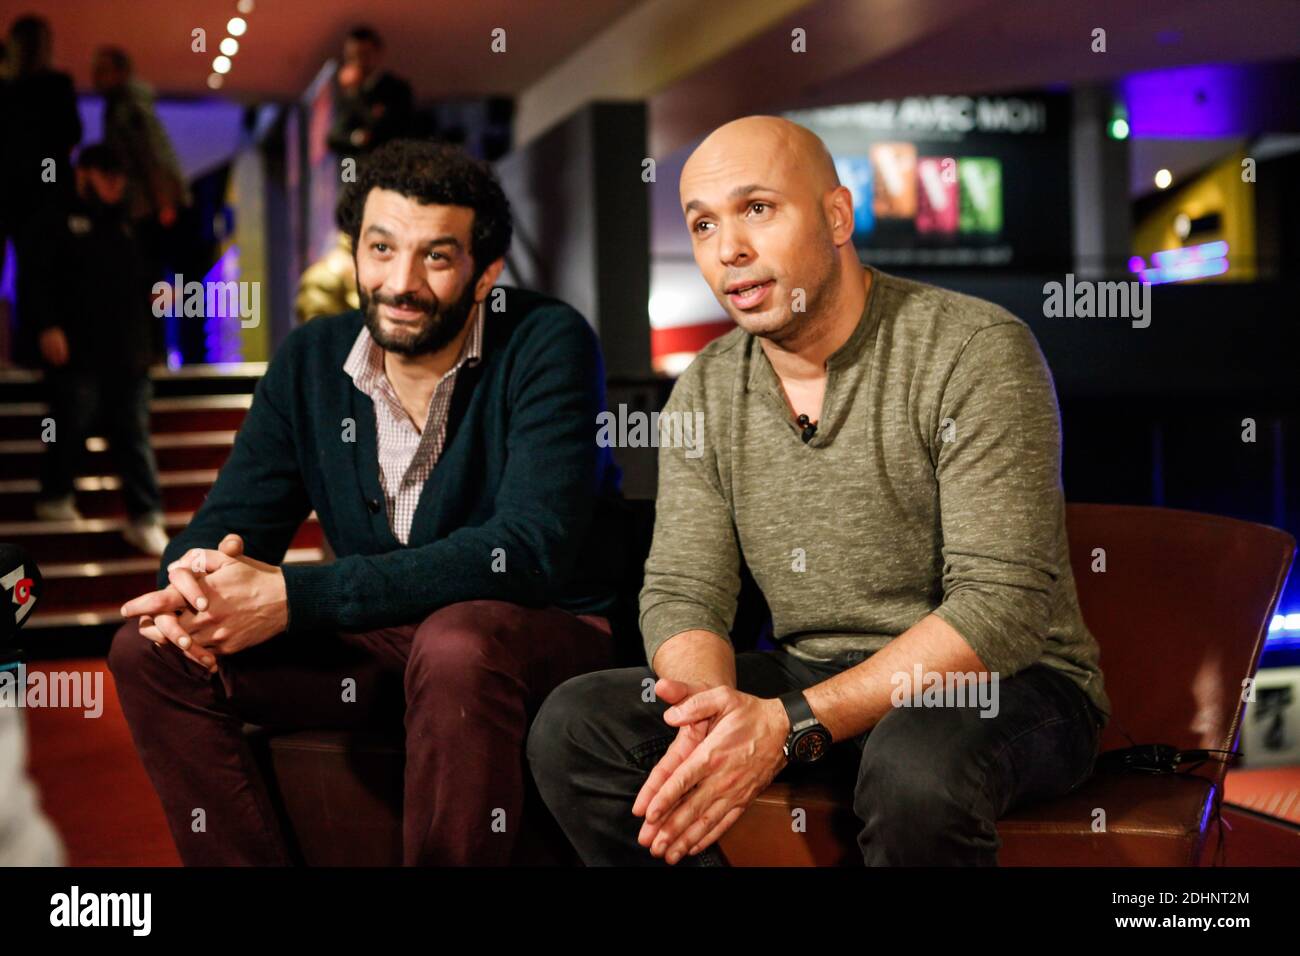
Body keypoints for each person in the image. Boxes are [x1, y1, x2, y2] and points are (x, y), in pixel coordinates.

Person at [527, 116, 1111, 866]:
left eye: (757, 209)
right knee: (576, 725)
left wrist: (793, 722)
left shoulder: (973, 350)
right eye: (703, 224)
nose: (728, 247)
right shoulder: (706, 387)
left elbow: (1002, 609)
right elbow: (682, 589)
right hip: (814, 674)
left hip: (1005, 686)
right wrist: (716, 718)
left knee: (914, 769)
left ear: (838, 216)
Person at [109, 139, 624, 866]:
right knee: (148, 651)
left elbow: (528, 552)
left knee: (455, 645)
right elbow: (229, 521)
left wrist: (294, 595)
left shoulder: (547, 341)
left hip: (540, 635)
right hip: (389, 640)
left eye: (436, 258)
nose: (400, 282)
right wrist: (190, 589)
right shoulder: (312, 359)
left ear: (485, 276)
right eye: (381, 249)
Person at [26, 143, 168, 556]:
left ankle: (146, 517)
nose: (115, 183)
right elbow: (36, 277)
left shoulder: (128, 223)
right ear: (84, 172)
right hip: (77, 350)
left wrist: (154, 344)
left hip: (128, 352)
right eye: (107, 174)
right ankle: (54, 497)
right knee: (70, 420)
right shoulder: (55, 216)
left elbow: (149, 289)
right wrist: (46, 325)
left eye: (119, 176)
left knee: (134, 433)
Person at [1, 14, 82, 368]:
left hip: (10, 189)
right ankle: (40, 349)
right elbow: (71, 135)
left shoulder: (8, 89)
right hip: (46, 192)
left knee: (23, 270)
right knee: (42, 271)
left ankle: (23, 351)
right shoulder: (57, 86)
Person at [92, 45, 191, 285]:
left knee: (148, 280)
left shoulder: (129, 107)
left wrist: (163, 202)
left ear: (121, 72)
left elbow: (151, 154)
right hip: (144, 207)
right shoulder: (121, 105)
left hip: (145, 209)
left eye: (103, 70)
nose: (96, 76)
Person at [326, 26, 413, 158]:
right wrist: (356, 137)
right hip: (354, 169)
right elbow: (334, 138)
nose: (358, 61)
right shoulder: (348, 95)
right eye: (351, 56)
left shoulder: (397, 89)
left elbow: (398, 130)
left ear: (378, 53)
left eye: (363, 54)